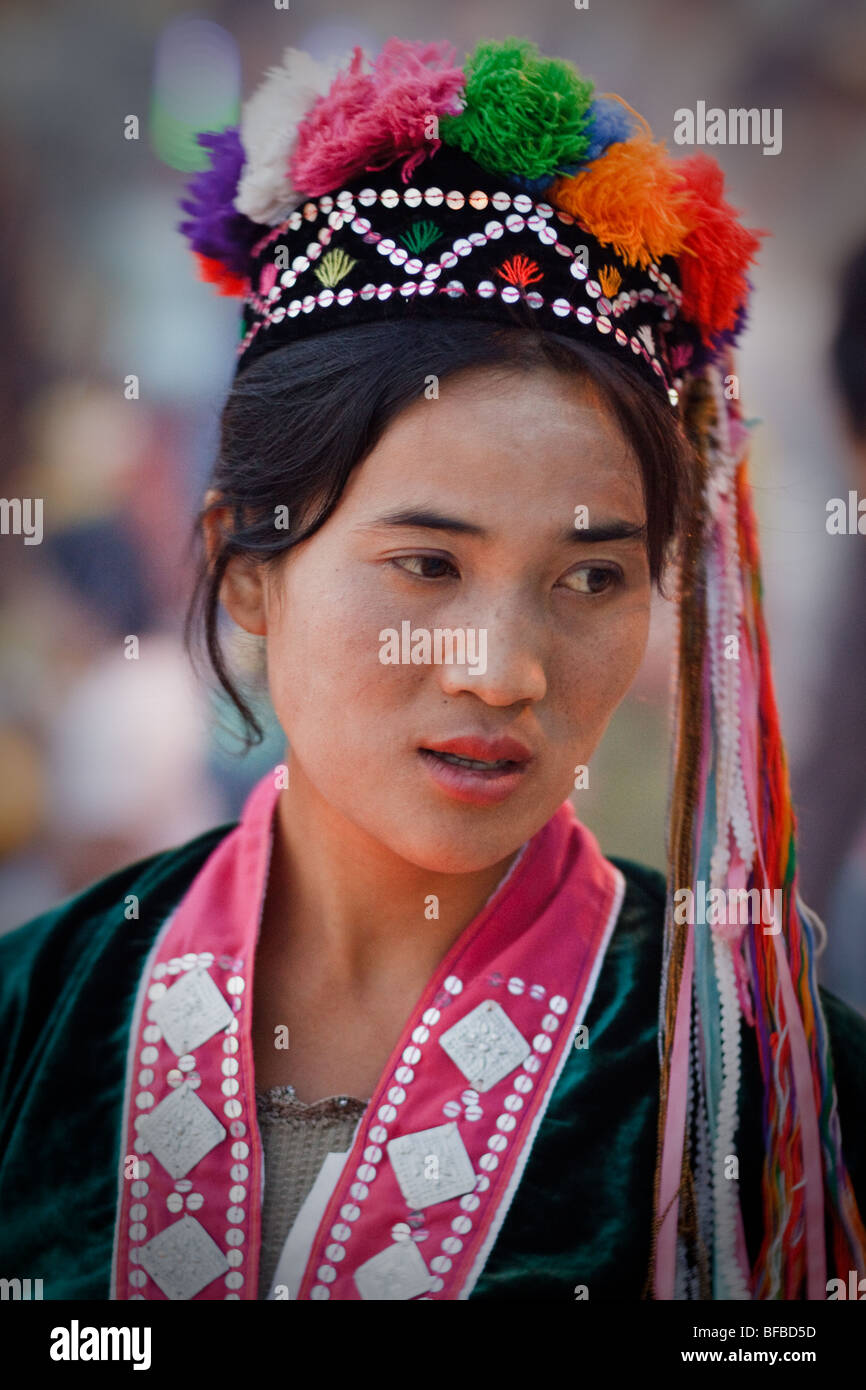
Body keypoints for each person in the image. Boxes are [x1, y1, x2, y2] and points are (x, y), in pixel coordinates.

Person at [1, 35, 864, 1303]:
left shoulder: (770, 1096)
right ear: (245, 567)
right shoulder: (37, 1018)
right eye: (424, 564)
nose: (504, 670)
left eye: (589, 578)